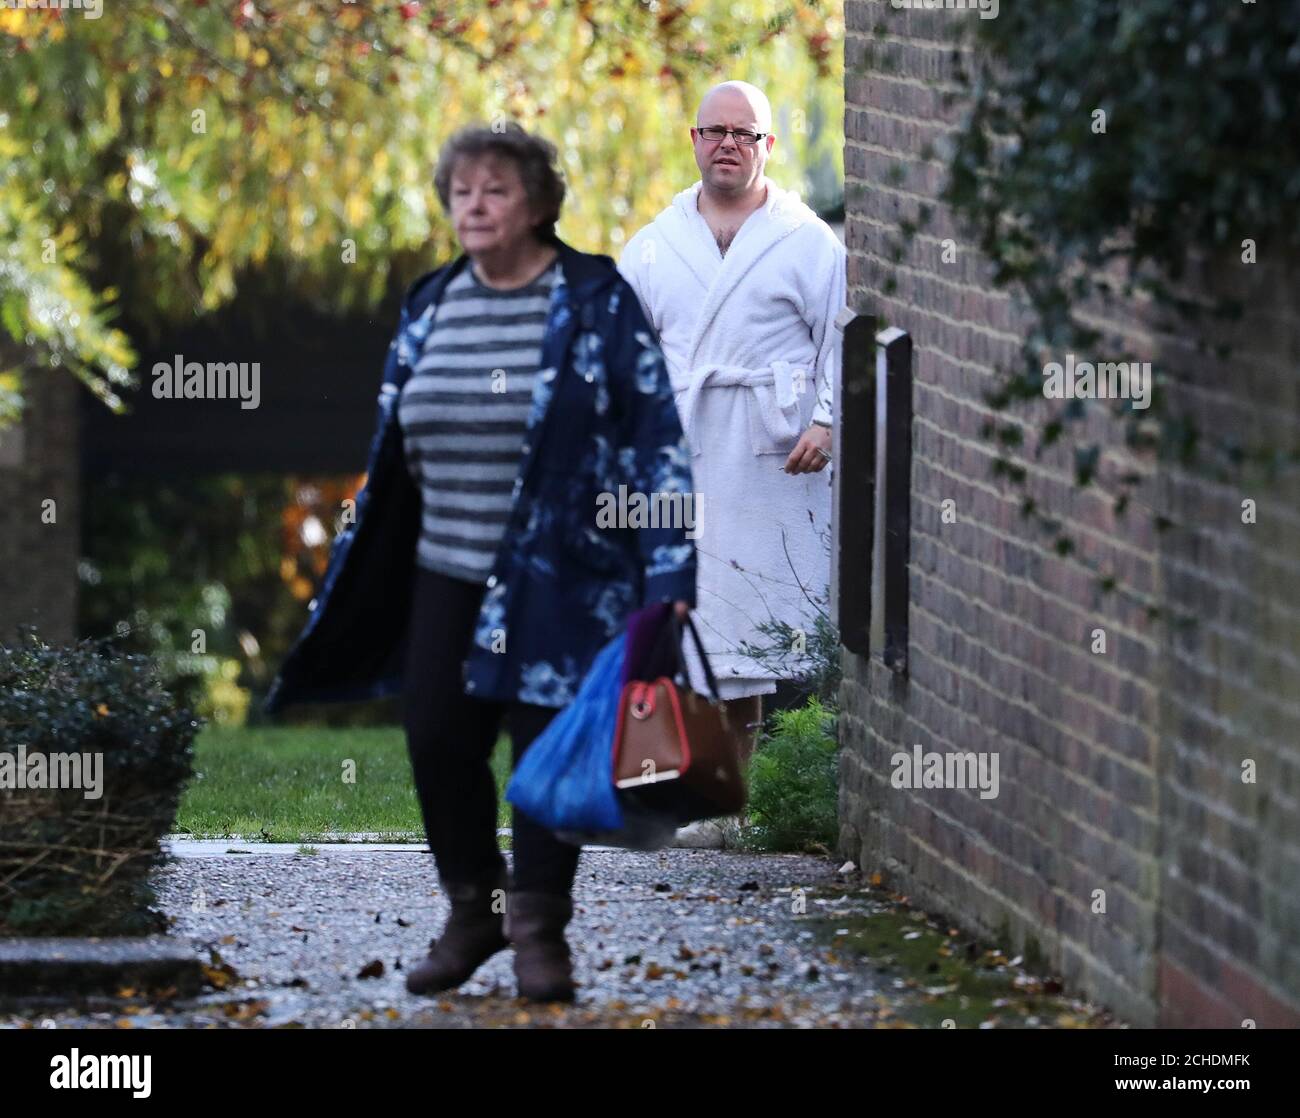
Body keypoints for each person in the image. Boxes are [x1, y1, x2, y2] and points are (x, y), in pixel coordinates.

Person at [264, 122, 696, 1003]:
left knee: (542, 749)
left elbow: (656, 435)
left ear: (539, 205)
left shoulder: (595, 297)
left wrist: (670, 572)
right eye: (462, 191)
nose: (475, 204)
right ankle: (474, 909)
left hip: (568, 570)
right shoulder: (430, 302)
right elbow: (395, 443)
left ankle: (540, 930)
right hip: (446, 565)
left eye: (496, 190)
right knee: (436, 737)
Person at [617, 80, 849, 773]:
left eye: (744, 134)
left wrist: (826, 420)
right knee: (691, 616)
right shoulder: (655, 246)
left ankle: (743, 793)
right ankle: (699, 785)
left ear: (767, 147)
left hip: (771, 454)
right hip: (682, 451)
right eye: (714, 131)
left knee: (753, 621)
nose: (727, 144)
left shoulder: (807, 242)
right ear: (693, 140)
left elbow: (837, 335)